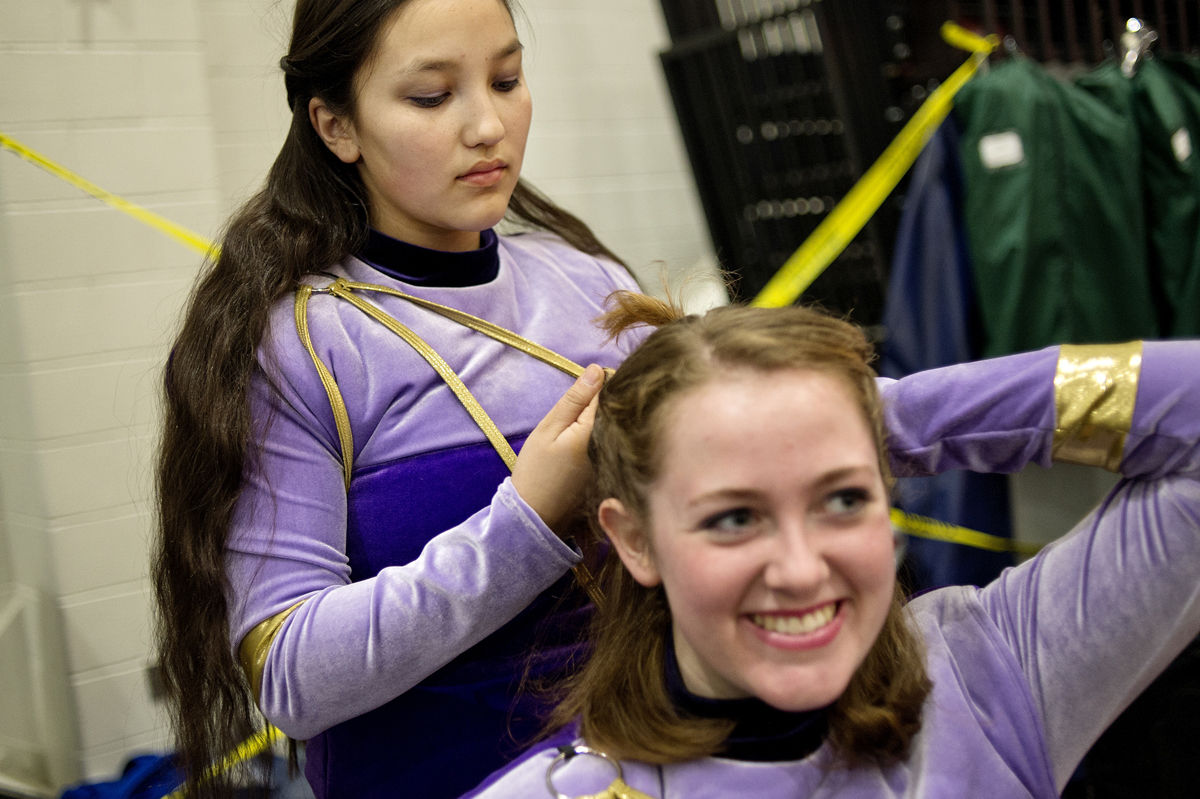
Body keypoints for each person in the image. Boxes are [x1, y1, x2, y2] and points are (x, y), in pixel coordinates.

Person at [151, 1, 643, 797]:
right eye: (431, 96)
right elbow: (291, 675)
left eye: (507, 79)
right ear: (336, 126)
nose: (489, 125)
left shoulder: (590, 282)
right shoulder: (301, 343)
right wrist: (526, 522)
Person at [465, 294, 1200, 798]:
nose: (800, 569)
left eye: (843, 499)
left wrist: (863, 412)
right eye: (734, 518)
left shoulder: (986, 674)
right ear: (636, 541)